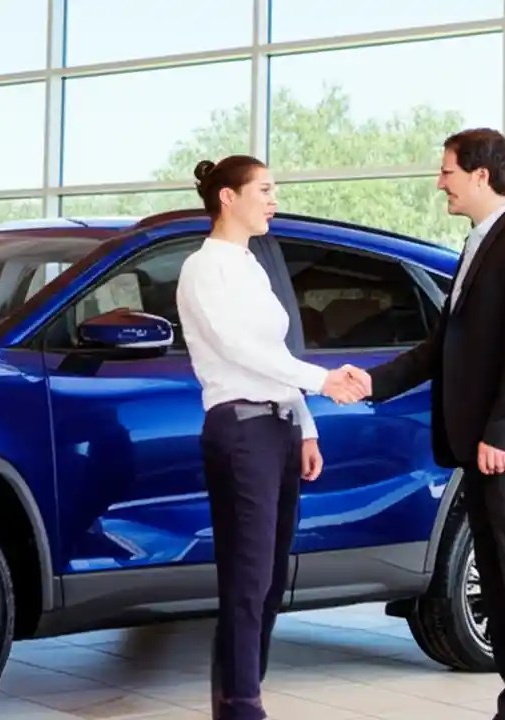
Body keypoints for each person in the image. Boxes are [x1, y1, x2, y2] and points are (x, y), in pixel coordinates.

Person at [364, 128, 505, 720]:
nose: (440, 182)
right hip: (483, 450)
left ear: (482, 176)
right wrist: (371, 383)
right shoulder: (479, 245)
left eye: (448, 171)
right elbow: (441, 348)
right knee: (502, 596)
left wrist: (501, 436)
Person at [176, 154, 370, 719]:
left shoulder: (253, 266)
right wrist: (324, 381)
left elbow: (277, 356)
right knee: (247, 576)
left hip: (278, 431)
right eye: (264, 189)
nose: (273, 198)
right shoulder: (203, 268)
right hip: (239, 433)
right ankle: (241, 707)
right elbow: (241, 350)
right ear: (228, 198)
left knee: (269, 578)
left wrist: (306, 427)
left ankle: (239, 695)